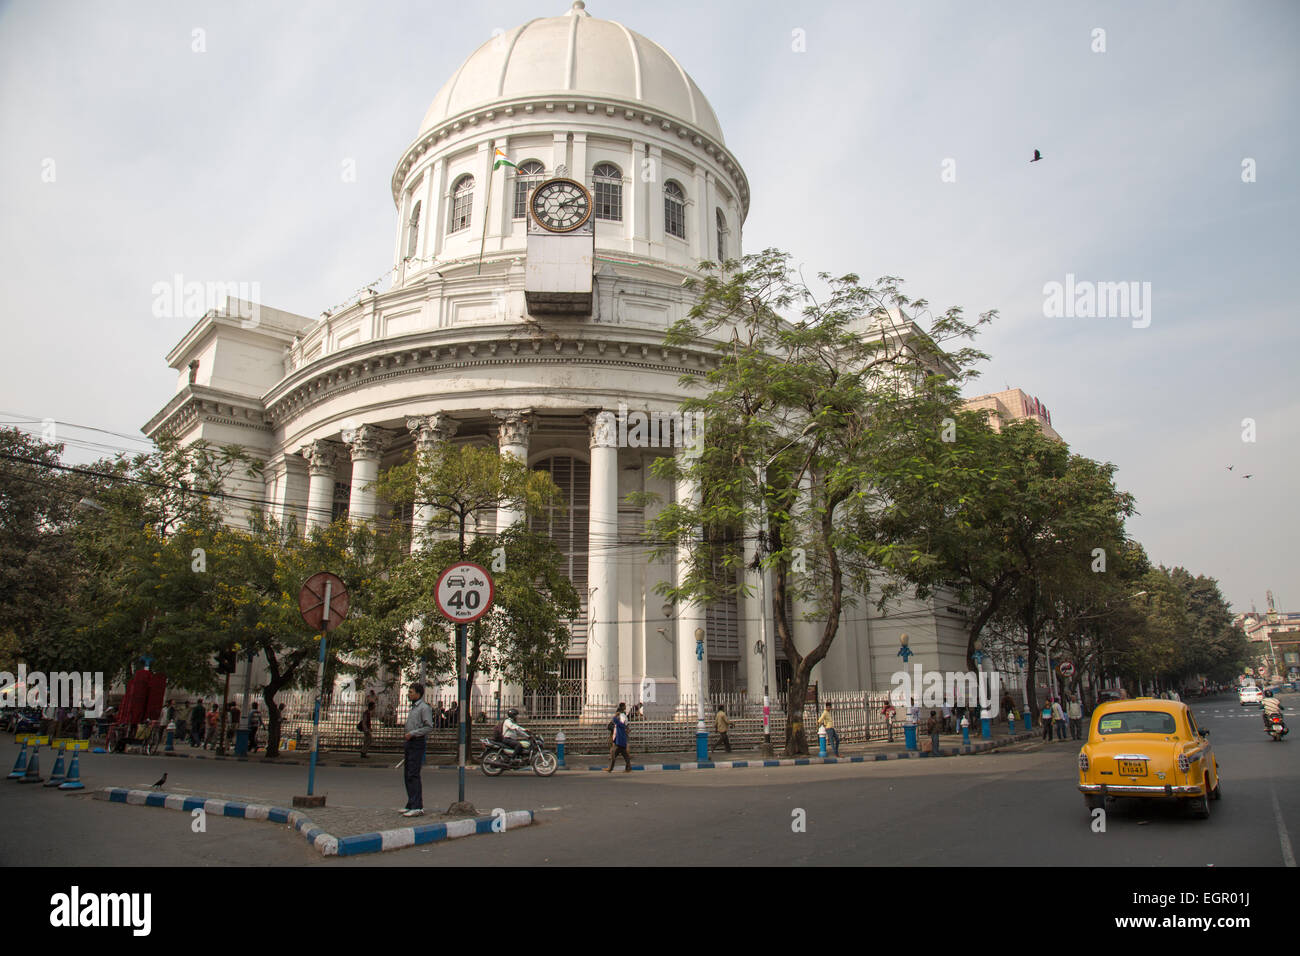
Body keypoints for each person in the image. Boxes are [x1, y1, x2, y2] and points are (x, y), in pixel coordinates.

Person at [402, 683, 434, 817]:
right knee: (407, 773)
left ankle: (417, 806)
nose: (408, 694)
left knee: (413, 774)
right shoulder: (413, 707)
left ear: (418, 693)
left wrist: (413, 733)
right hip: (409, 742)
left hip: (417, 742)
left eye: (411, 692)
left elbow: (429, 727)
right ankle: (410, 803)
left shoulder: (424, 708)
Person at [606, 702, 631, 772]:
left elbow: (614, 720)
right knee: (625, 756)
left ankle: (610, 768)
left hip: (619, 742)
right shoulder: (623, 726)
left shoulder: (619, 724)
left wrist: (616, 715)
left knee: (614, 755)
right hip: (622, 742)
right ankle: (628, 768)